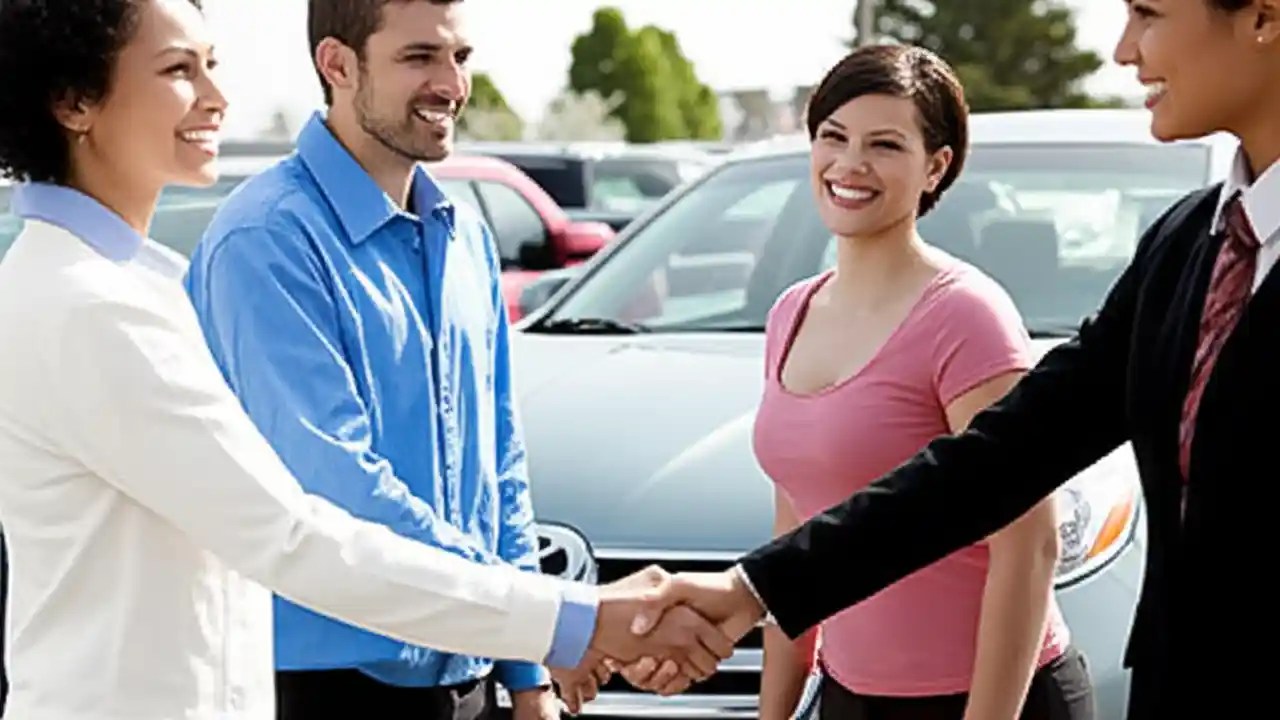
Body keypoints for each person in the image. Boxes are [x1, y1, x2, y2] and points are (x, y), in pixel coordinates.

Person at [0, 2, 734, 718]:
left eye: (213, 64)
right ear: (74, 102)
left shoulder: (117, 286)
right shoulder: (95, 304)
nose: (220, 97)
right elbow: (297, 533)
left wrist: (527, 661)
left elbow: (495, 466)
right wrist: (574, 617)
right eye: (178, 69)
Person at [632, 0, 1280, 717]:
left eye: (1148, 13)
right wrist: (753, 589)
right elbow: (990, 464)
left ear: (1262, 17)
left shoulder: (967, 308)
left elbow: (1025, 543)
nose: (1124, 50)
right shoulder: (1189, 244)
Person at [179, 1, 627, 718]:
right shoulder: (266, 241)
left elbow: (498, 467)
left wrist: (525, 673)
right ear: (337, 65)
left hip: (472, 674)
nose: (451, 83)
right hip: (328, 687)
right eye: (420, 57)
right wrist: (545, 618)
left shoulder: (466, 236)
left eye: (462, 57)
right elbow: (338, 488)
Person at [622, 45, 1093, 720]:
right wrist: (775, 715)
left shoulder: (967, 315)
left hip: (989, 701)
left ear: (937, 166)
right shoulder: (791, 312)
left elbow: (1029, 546)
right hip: (852, 698)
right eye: (832, 137)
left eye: (884, 145)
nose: (849, 164)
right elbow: (796, 537)